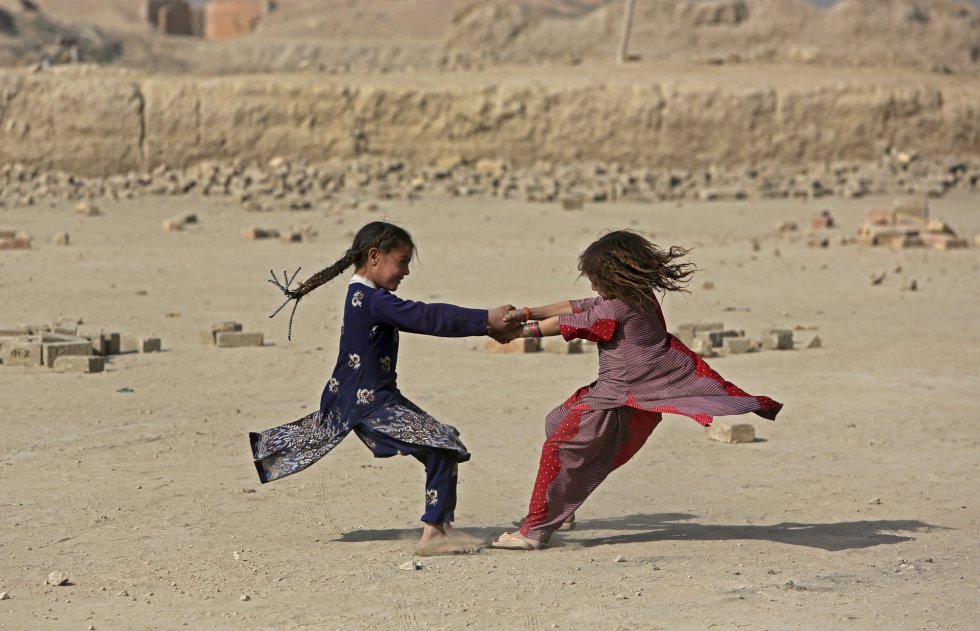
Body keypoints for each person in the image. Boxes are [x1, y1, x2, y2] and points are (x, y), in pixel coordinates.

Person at [490, 230, 783, 550]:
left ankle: (534, 531)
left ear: (613, 276)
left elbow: (563, 323)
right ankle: (563, 509)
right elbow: (576, 306)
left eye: (596, 279)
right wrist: (528, 312)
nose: (592, 287)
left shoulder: (614, 310)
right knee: (556, 421)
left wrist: (516, 331)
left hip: (616, 399)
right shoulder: (636, 294)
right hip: (625, 392)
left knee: (559, 450)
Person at [249, 221, 516, 554]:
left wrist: (486, 326)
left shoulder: (364, 295)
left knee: (443, 444)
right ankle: (434, 534)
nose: (405, 271)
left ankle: (442, 526)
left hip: (373, 399)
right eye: (401, 261)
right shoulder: (372, 299)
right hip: (369, 404)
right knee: (442, 445)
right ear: (375, 256)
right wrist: (485, 318)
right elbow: (426, 317)